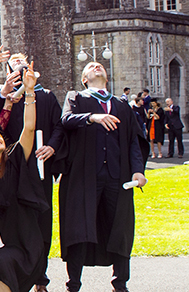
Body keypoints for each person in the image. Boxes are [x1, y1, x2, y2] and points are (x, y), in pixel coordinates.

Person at [59, 62, 148, 292]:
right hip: (84, 176)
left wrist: (138, 170)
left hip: (117, 177)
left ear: (106, 77)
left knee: (120, 228)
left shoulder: (120, 104)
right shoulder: (76, 97)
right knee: (79, 227)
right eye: (90, 66)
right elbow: (65, 121)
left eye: (100, 65)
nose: (96, 66)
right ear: (84, 79)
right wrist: (92, 117)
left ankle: (120, 284)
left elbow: (133, 141)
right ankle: (73, 285)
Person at [0, 54, 64, 292]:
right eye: (14, 58)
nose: (18, 60)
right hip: (11, 165)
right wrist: (6, 96)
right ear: (8, 67)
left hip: (39, 166)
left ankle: (41, 277)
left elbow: (59, 125)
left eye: (22, 57)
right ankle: (14, 272)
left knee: (41, 221)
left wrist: (52, 145)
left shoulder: (46, 95)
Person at [0, 64, 49, 292]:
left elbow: (28, 129)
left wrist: (29, 92)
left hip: (20, 238)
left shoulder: (16, 159)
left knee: (2, 266)